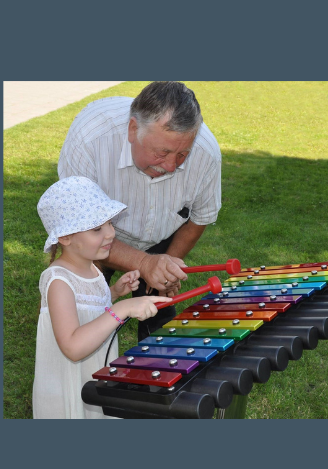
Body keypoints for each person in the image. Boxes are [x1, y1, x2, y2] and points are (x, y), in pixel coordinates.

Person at [57, 81, 221, 339]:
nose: (170, 166)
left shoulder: (206, 154)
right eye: (162, 152)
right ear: (133, 130)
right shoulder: (90, 138)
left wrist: (164, 268)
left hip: (163, 234)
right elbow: (79, 229)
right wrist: (143, 262)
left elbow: (198, 220)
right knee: (80, 319)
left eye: (182, 155)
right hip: (93, 233)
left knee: (161, 332)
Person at [31, 177, 172, 419]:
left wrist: (114, 292)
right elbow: (73, 347)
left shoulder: (92, 269)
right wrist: (123, 308)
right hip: (68, 389)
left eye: (109, 223)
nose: (110, 233)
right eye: (97, 228)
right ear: (65, 237)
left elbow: (89, 310)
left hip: (93, 377)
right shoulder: (58, 281)